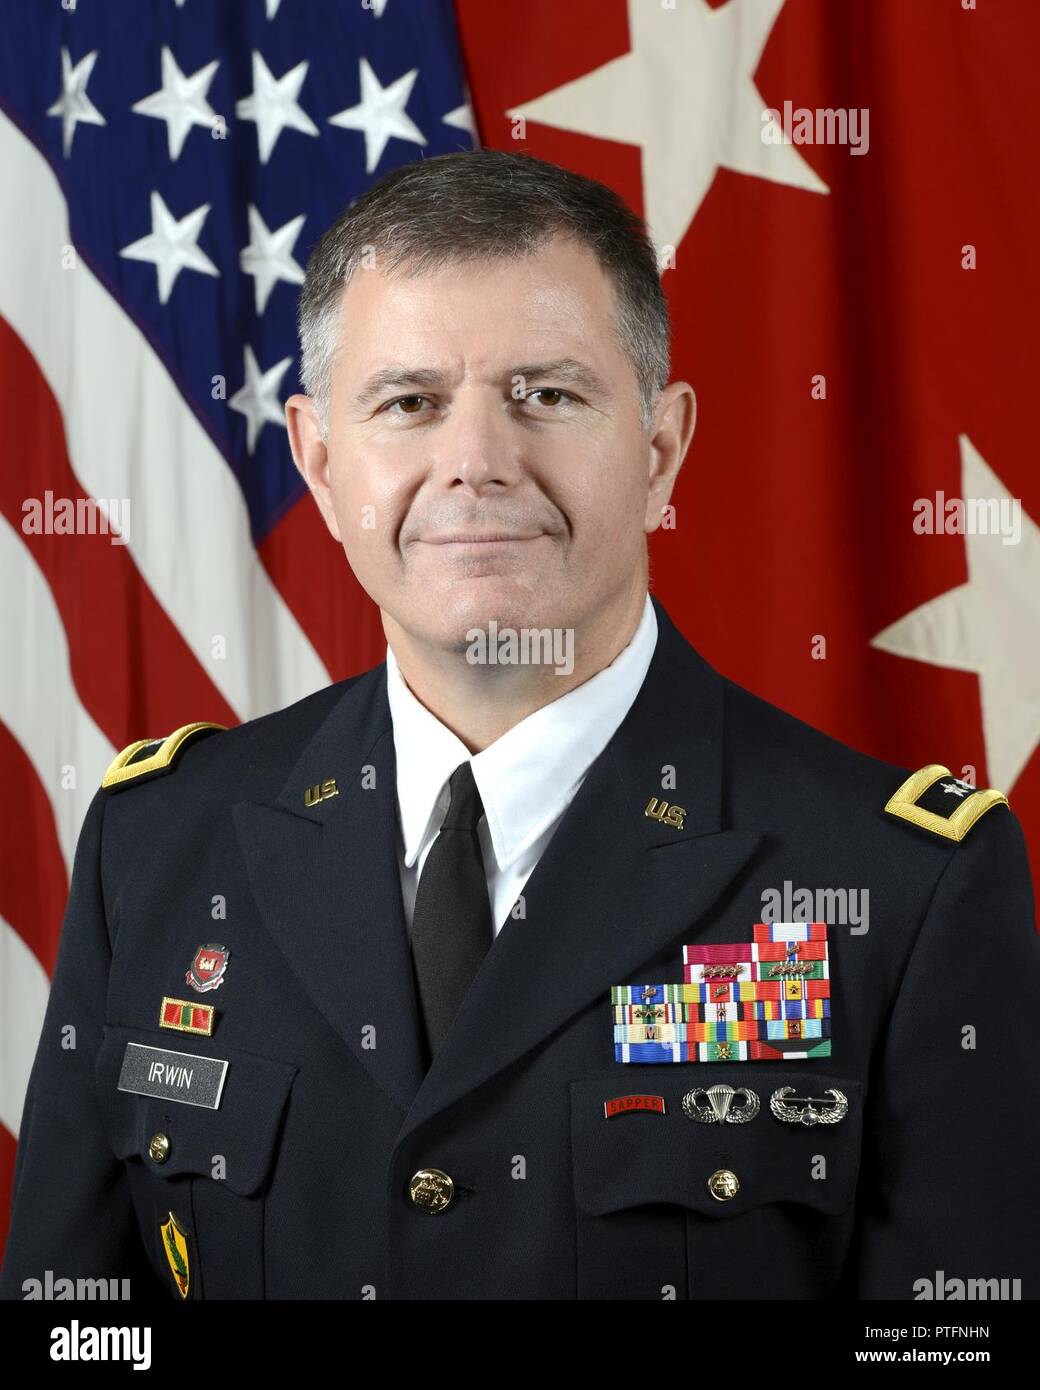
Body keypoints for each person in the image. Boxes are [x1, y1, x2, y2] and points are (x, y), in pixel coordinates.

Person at [2, 149, 1037, 1302]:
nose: (477, 464)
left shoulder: (903, 885)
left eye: (546, 394)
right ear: (319, 457)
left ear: (658, 450)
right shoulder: (156, 846)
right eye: (409, 403)